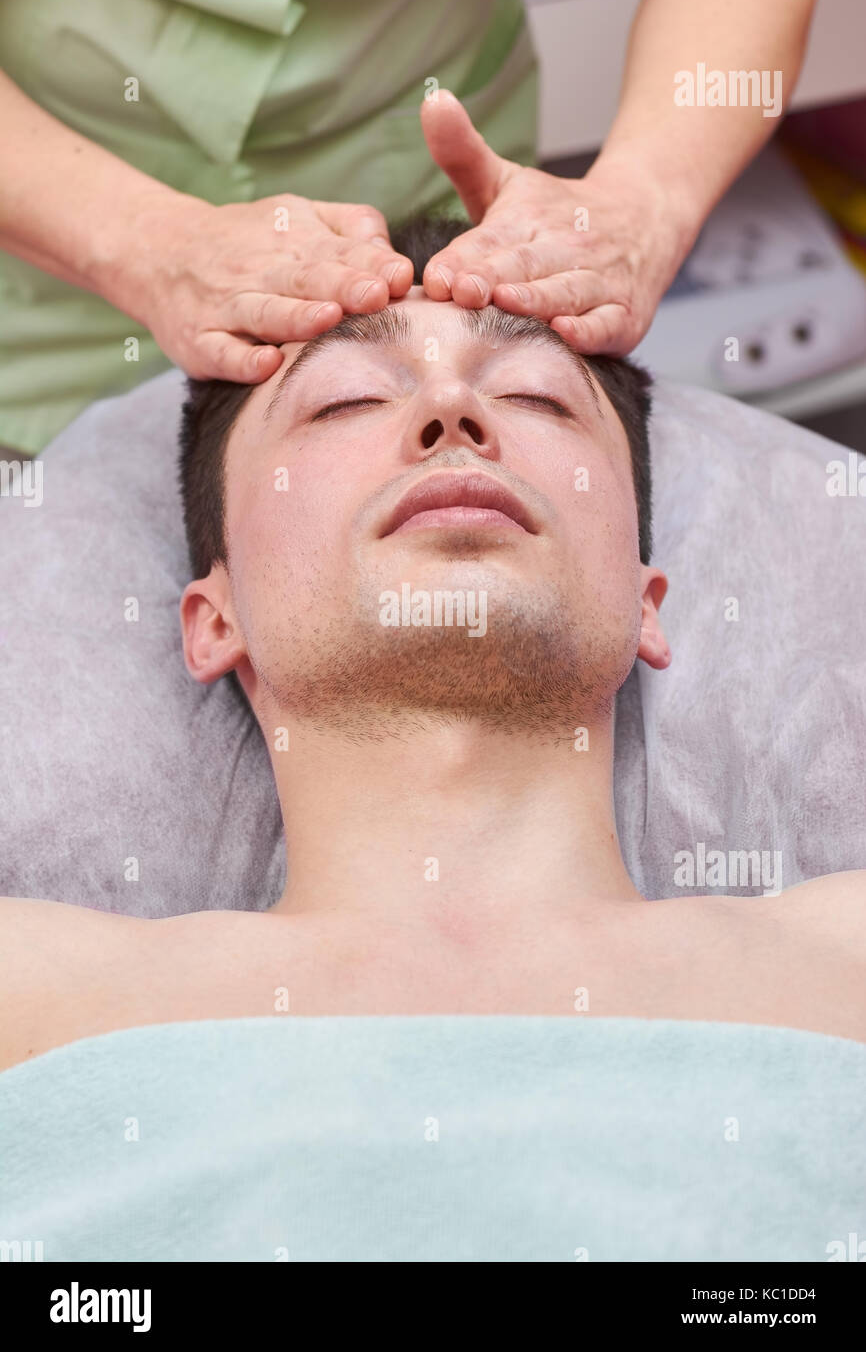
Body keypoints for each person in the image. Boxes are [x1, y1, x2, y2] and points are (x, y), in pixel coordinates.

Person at [1, 213, 863, 1075]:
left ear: (645, 602)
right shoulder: (36, 996)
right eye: (346, 399)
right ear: (215, 620)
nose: (451, 409)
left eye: (534, 395)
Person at [0, 0, 821, 456]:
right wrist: (139, 242)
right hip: (48, 264)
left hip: (428, 156)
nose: (449, 418)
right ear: (215, 623)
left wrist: (646, 203)